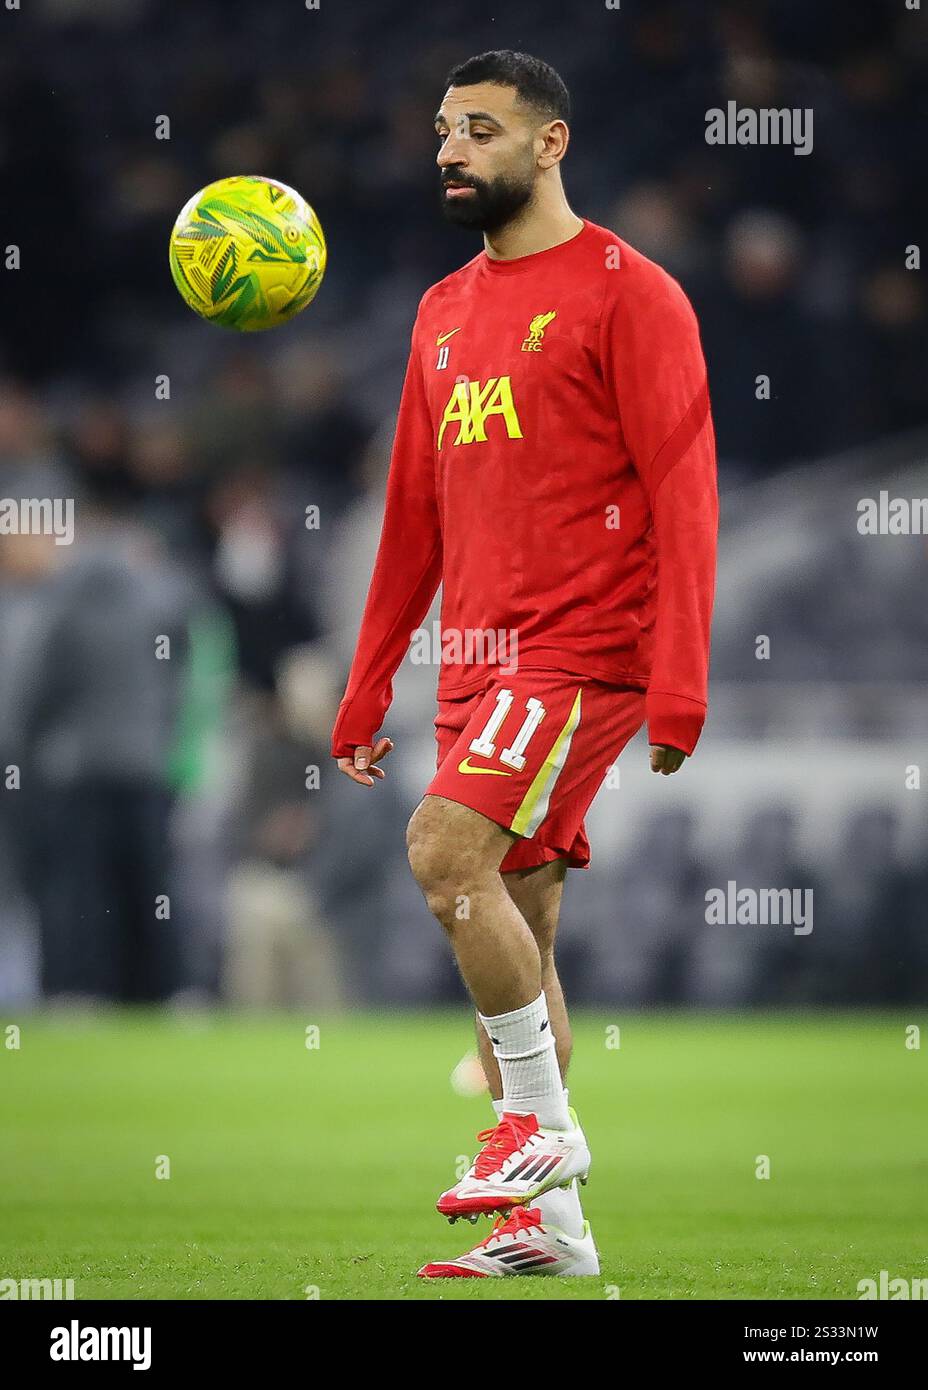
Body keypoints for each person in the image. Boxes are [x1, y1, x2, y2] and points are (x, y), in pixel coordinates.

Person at [331, 49, 718, 1278]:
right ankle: (552, 1229)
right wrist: (369, 675)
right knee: (521, 926)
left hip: (579, 648)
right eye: (443, 130)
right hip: (474, 657)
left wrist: (681, 672)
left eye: (480, 130)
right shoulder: (441, 312)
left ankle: (529, 1131)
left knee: (445, 855)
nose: (450, 150)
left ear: (550, 143)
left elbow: (684, 489)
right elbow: (410, 512)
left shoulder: (628, 291)